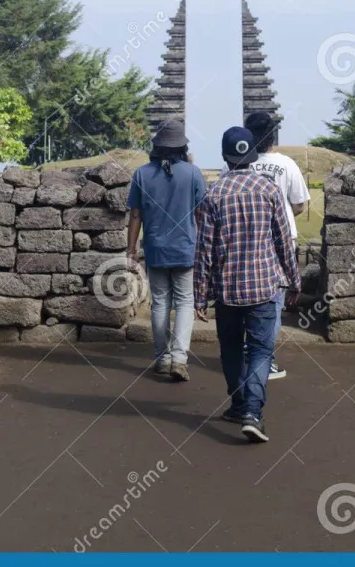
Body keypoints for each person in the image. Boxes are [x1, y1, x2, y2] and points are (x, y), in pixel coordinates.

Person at [195, 126, 301, 443]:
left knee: (230, 350)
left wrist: (199, 296)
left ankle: (240, 405)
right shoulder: (269, 191)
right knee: (259, 352)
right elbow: (283, 242)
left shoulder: (213, 196)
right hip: (264, 286)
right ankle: (253, 412)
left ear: (226, 158)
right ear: (252, 156)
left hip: (227, 290)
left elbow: (204, 251)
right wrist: (294, 281)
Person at [220, 112, 310, 380]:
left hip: (239, 241)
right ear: (273, 136)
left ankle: (249, 355)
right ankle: (264, 357)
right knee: (273, 302)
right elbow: (300, 204)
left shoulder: (234, 165)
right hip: (280, 241)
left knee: (241, 298)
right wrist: (277, 219)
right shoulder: (287, 165)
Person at [126, 120, 207, 382]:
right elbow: (200, 212)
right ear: (182, 146)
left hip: (155, 248)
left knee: (160, 302)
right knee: (185, 302)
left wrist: (131, 249)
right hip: (185, 248)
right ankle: (180, 359)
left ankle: (162, 358)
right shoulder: (193, 173)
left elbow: (136, 215)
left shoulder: (141, 174)